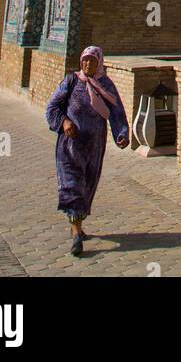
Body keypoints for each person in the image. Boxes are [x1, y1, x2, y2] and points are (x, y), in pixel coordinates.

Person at [45, 45, 129, 257]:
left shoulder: (106, 85)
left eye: (92, 61)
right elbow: (52, 107)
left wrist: (121, 133)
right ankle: (76, 235)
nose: (88, 64)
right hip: (70, 146)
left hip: (94, 147)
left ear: (99, 62)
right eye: (85, 60)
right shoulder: (71, 81)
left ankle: (78, 225)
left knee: (87, 186)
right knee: (72, 185)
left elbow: (116, 111)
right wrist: (64, 122)